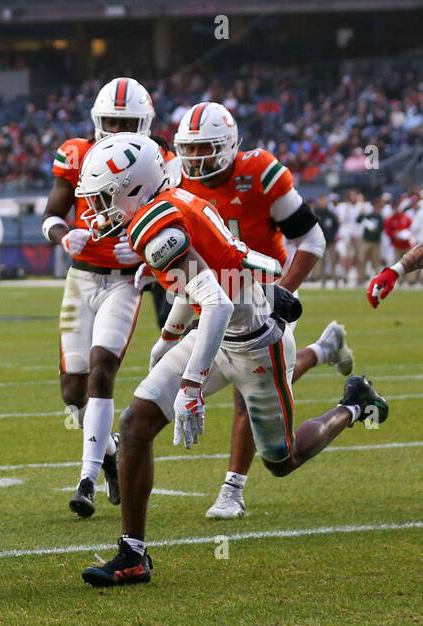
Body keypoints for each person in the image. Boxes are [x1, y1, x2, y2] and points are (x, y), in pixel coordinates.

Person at [70, 134, 388, 587]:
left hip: (255, 343)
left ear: (133, 187)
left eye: (103, 197)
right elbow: (196, 284)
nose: (97, 210)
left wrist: (190, 385)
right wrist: (168, 338)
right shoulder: (169, 204)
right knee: (136, 424)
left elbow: (216, 301)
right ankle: (133, 555)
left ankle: (354, 404)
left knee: (282, 459)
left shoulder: (155, 227)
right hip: (219, 331)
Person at [172, 101, 351, 520]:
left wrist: (282, 293)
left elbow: (312, 240)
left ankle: (232, 491)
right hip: (215, 300)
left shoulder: (259, 173)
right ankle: (323, 349)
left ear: (229, 145)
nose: (195, 158)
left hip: (262, 303)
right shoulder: (176, 178)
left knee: (247, 396)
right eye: (189, 148)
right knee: (261, 383)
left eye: (205, 148)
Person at [43, 76, 179, 519]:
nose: (118, 130)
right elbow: (52, 214)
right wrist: (65, 237)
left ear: (145, 123)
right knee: (73, 391)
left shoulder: (161, 161)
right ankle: (112, 452)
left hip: (124, 282)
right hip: (81, 279)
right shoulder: (77, 153)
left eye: (127, 122)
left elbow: (178, 224)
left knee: (102, 369)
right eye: (112, 121)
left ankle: (86, 479)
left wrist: (144, 252)